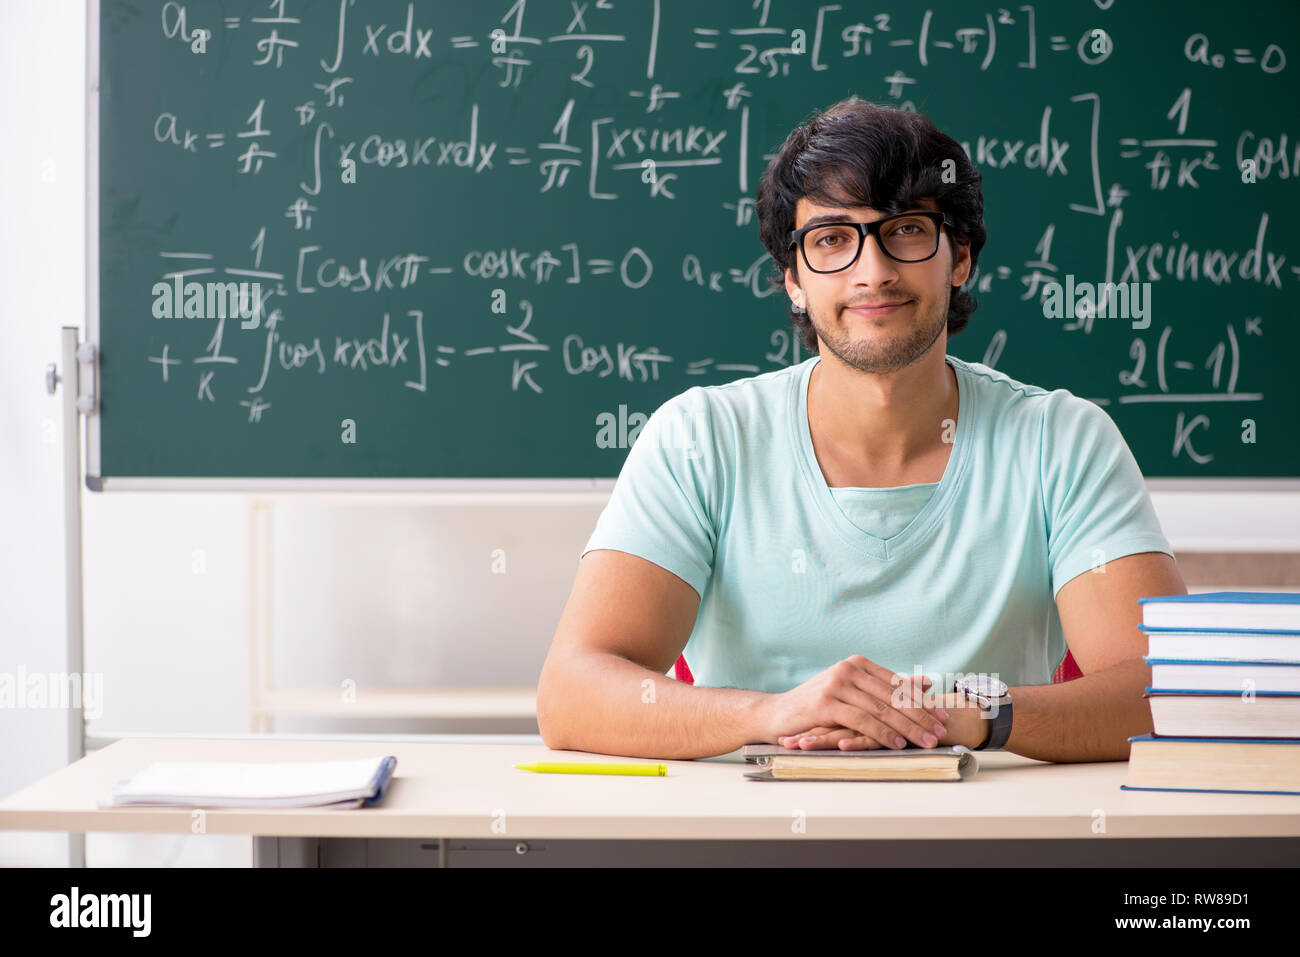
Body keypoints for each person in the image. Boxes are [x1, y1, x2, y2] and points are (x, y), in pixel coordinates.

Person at [537, 96, 1185, 761]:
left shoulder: (1064, 440)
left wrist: (963, 714)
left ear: (958, 258)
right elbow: (571, 693)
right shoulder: (699, 438)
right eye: (832, 239)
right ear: (792, 278)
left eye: (904, 230)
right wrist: (775, 713)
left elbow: (1165, 694)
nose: (871, 271)